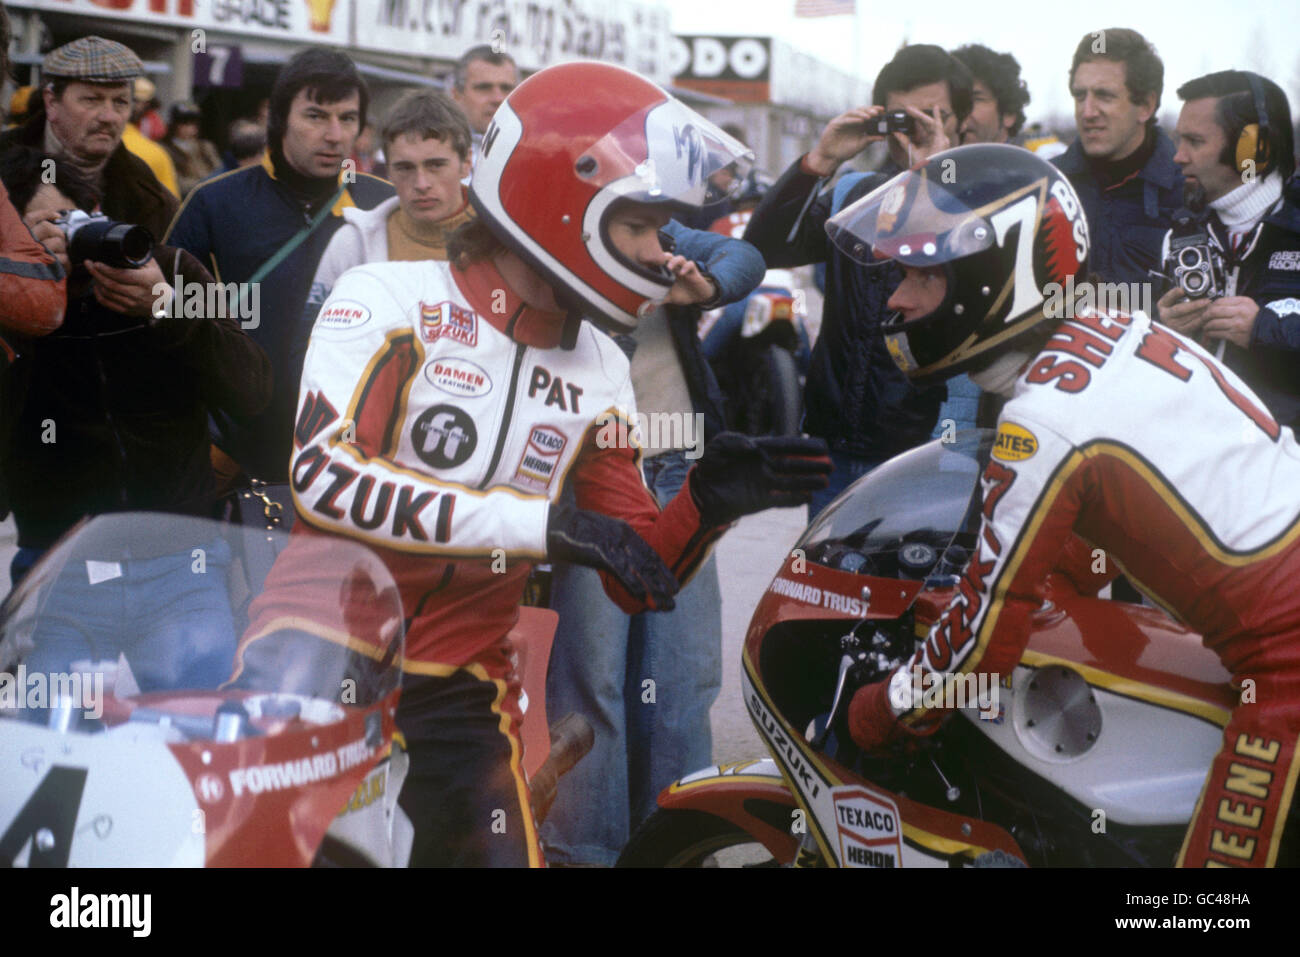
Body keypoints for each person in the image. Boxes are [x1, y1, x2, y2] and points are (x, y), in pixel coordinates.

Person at [236, 61, 831, 867]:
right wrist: (544, 525)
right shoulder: (384, 297)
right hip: (315, 647)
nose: (662, 253)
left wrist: (710, 502)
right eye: (642, 225)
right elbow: (326, 479)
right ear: (564, 206)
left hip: (462, 682)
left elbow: (637, 574)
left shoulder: (602, 367)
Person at [837, 143, 1300, 868]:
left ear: (989, 281)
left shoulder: (1042, 419)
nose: (897, 296)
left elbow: (982, 640)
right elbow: (1137, 505)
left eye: (922, 273)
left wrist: (878, 711)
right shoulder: (1124, 330)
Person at [541, 185, 768, 867]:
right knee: (594, 679)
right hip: (591, 468)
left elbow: (745, 254)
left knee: (685, 676)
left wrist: (703, 287)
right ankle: (587, 851)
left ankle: (680, 846)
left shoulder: (654, 232)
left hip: (679, 468)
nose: (647, 238)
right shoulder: (549, 239)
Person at [0, 147, 270, 598]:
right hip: (60, 563)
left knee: (202, 667)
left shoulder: (169, 270)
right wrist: (26, 303)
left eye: (72, 219)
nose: (68, 238)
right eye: (44, 231)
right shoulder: (10, 308)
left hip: (182, 558)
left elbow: (252, 391)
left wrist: (166, 308)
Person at [745, 43, 969, 514]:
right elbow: (764, 247)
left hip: (927, 455)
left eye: (933, 114)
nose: (916, 129)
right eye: (901, 117)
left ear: (959, 121)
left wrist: (933, 181)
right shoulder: (856, 193)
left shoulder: (984, 200)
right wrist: (820, 160)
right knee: (827, 586)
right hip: (837, 447)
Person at [165, 47, 394, 485]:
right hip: (235, 458)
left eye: (347, 119)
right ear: (278, 116)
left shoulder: (382, 205)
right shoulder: (217, 203)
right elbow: (171, 320)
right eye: (315, 116)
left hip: (353, 460)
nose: (334, 135)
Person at [1156, 70, 1300, 432]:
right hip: (1198, 463)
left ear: (1253, 148)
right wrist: (1162, 331)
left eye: (1194, 141)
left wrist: (1264, 328)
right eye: (1178, 139)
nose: (1178, 156)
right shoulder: (1179, 236)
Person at [301, 87, 473, 323]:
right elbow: (313, 343)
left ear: (466, 163)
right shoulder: (353, 244)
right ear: (388, 169)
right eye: (405, 168)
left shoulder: (504, 242)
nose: (421, 183)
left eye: (435, 165)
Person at [0, 36, 177, 242]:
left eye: (120, 102)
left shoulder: (152, 200)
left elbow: (174, 271)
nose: (108, 117)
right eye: (92, 100)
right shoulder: (4, 163)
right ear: (52, 103)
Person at [1051, 28, 1183, 286]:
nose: (1087, 112)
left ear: (1145, 105)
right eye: (1080, 96)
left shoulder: (1188, 194)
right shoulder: (1048, 188)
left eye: (1104, 96)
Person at [450, 44, 517, 180]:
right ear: (457, 95)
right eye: (484, 88)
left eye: (506, 88)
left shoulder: (535, 153)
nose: (498, 99)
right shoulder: (435, 153)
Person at [952, 43, 1030, 146]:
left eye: (975, 100)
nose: (960, 112)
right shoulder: (941, 160)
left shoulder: (1028, 162)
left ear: (1008, 114)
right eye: (954, 100)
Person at [121, 76, 179, 198]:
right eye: (136, 101)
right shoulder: (156, 153)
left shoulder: (153, 122)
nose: (138, 106)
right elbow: (172, 205)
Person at [162, 101, 221, 198]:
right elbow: (175, 182)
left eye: (194, 124)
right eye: (185, 123)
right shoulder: (165, 149)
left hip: (209, 196)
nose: (190, 128)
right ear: (174, 125)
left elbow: (219, 171)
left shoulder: (206, 146)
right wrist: (204, 184)